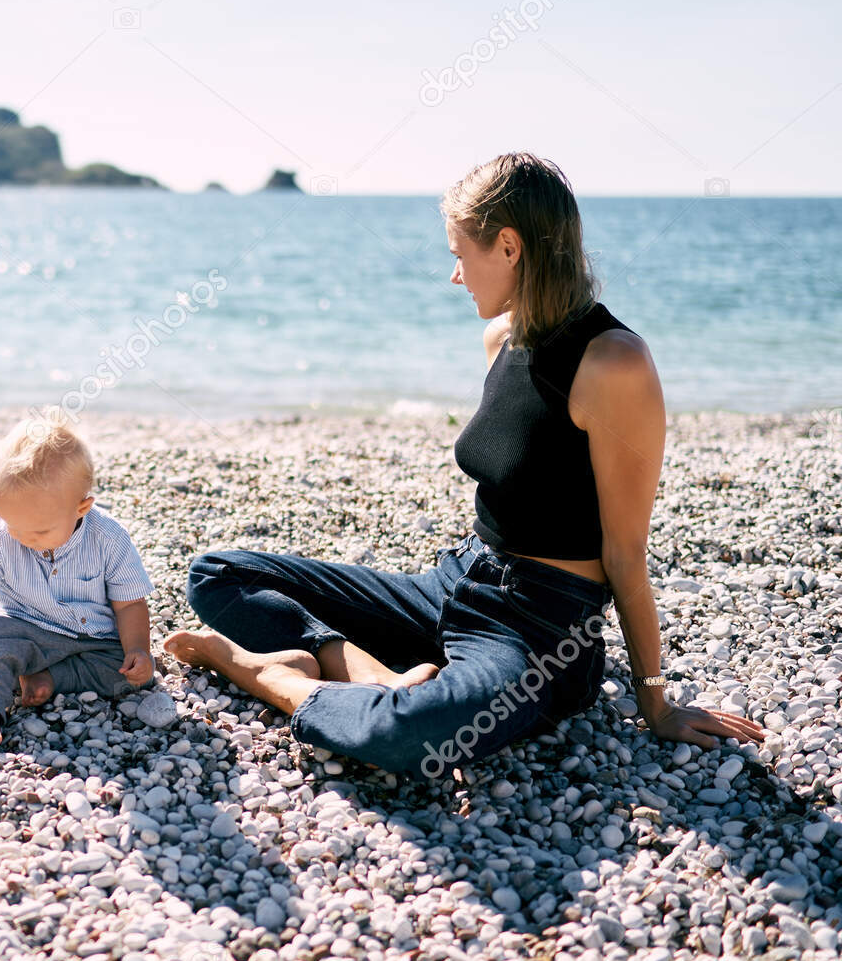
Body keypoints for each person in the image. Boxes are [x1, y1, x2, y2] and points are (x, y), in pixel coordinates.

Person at [164, 152, 764, 779]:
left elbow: (625, 553)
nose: (455, 276)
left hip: (539, 628)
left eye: (459, 254)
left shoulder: (614, 364)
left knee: (405, 736)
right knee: (218, 574)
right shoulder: (502, 338)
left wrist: (655, 700)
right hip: (462, 579)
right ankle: (370, 671)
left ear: (509, 247)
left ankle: (262, 672)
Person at [0, 410, 157, 755]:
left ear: (82, 507)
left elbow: (129, 603)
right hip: (23, 627)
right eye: (13, 524)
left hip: (92, 640)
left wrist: (137, 650)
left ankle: (48, 678)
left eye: (39, 530)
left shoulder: (109, 538)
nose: (23, 538)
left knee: (134, 674)